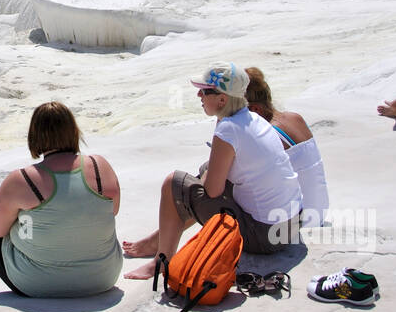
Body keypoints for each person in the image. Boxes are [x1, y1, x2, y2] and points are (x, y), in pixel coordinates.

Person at [123, 62, 302, 279]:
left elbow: (212, 192)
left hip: (264, 237)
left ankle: (161, 262)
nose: (198, 94)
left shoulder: (228, 129)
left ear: (222, 99)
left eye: (205, 91)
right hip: (289, 228)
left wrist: (200, 181)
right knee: (206, 170)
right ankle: (159, 240)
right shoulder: (253, 119)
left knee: (173, 184)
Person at [0, 102, 121, 297]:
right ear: (74, 131)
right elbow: (113, 210)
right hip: (103, 277)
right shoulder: (100, 167)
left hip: (37, 284)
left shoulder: (22, 180)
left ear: (35, 135)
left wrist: (26, 224)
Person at [245, 67, 330, 228]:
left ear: (255, 109)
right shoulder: (295, 118)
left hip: (296, 221)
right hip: (318, 212)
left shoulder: (266, 134)